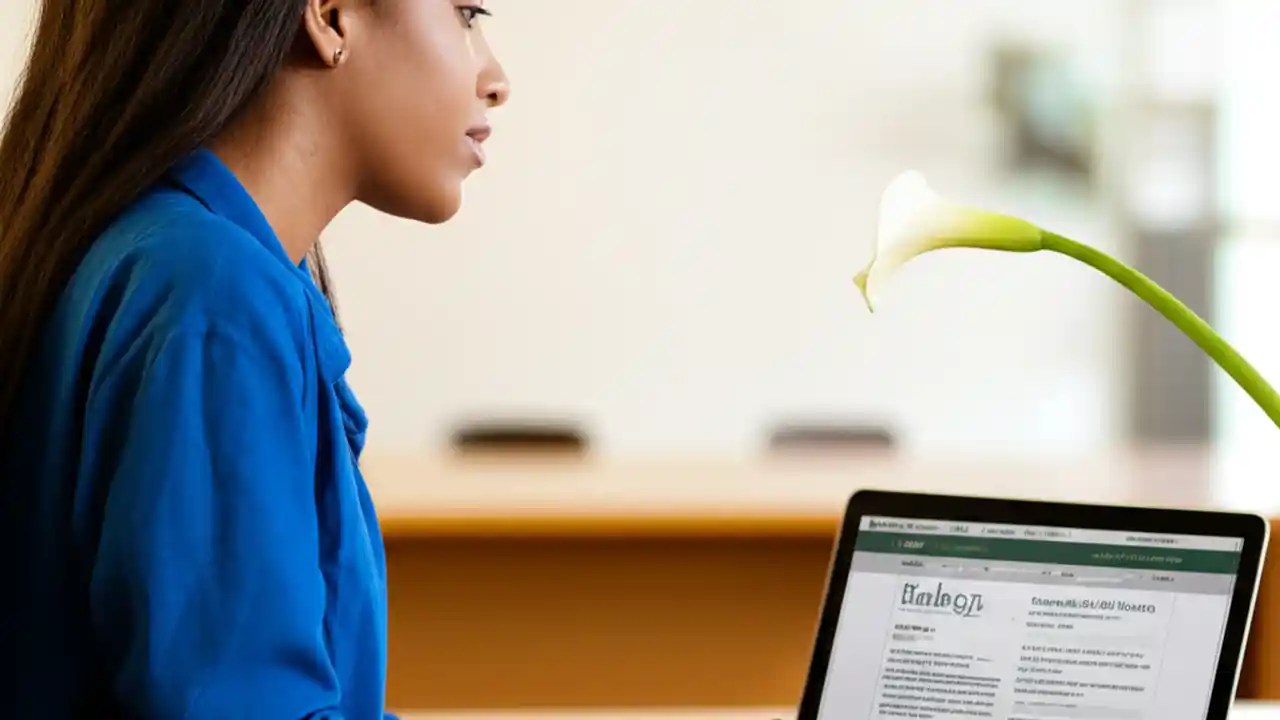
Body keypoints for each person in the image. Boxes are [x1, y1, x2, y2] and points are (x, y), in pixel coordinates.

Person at [0, 0, 509, 717]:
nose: (495, 78)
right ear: (330, 17)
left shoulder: (173, 258)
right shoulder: (214, 293)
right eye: (465, 13)